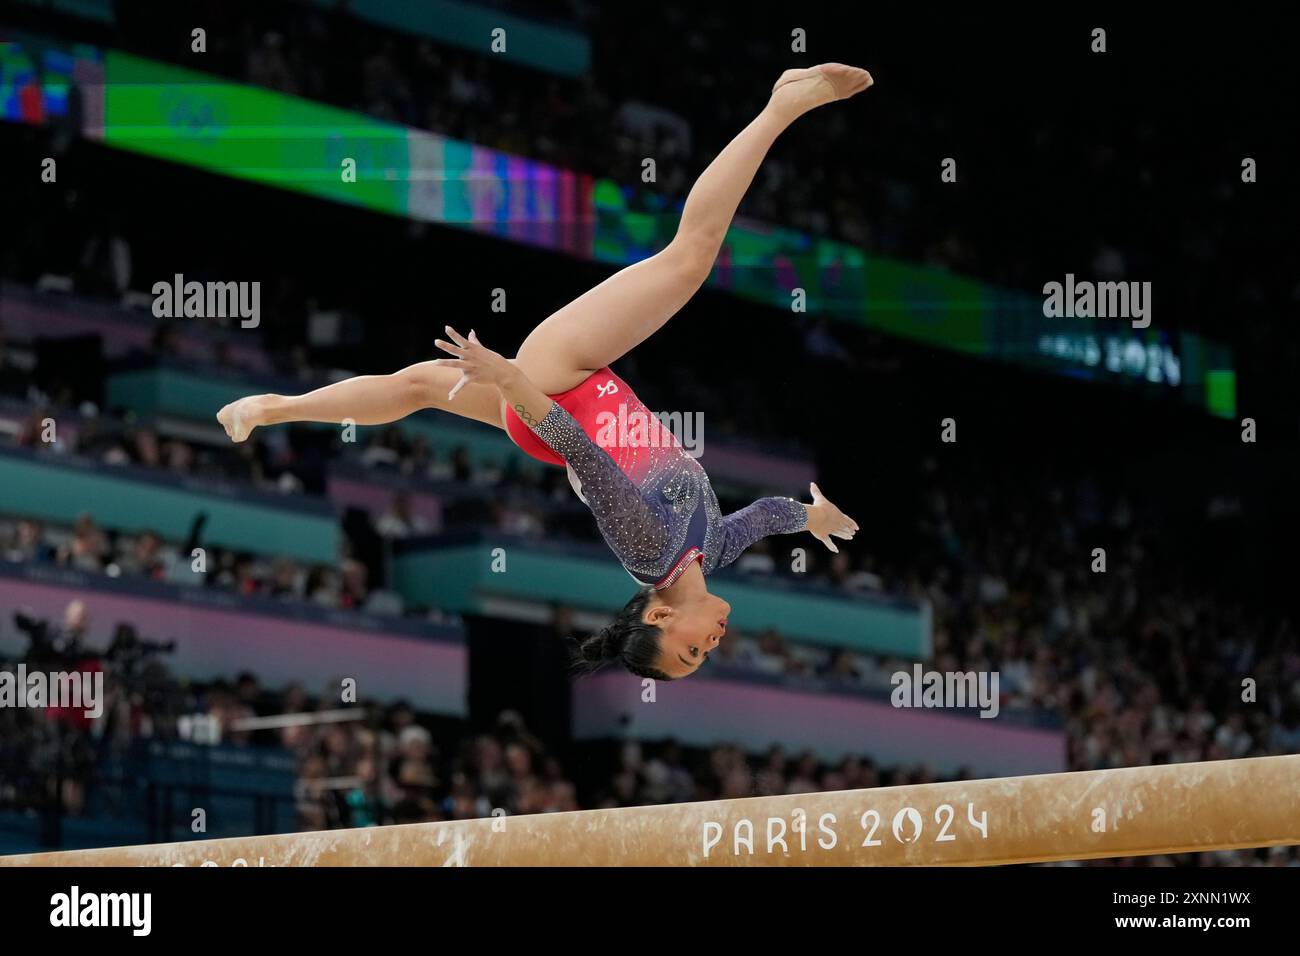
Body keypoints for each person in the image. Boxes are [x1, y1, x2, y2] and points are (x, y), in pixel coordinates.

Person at [218, 64, 870, 679]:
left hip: (558, 385)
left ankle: (780, 105)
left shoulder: (649, 549)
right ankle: (270, 407)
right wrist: (812, 517)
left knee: (690, 258)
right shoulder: (709, 550)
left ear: (663, 615)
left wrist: (508, 380)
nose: (712, 644)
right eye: (701, 656)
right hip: (552, 402)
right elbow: (764, 517)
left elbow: (580, 451)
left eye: (691, 648)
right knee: (418, 386)